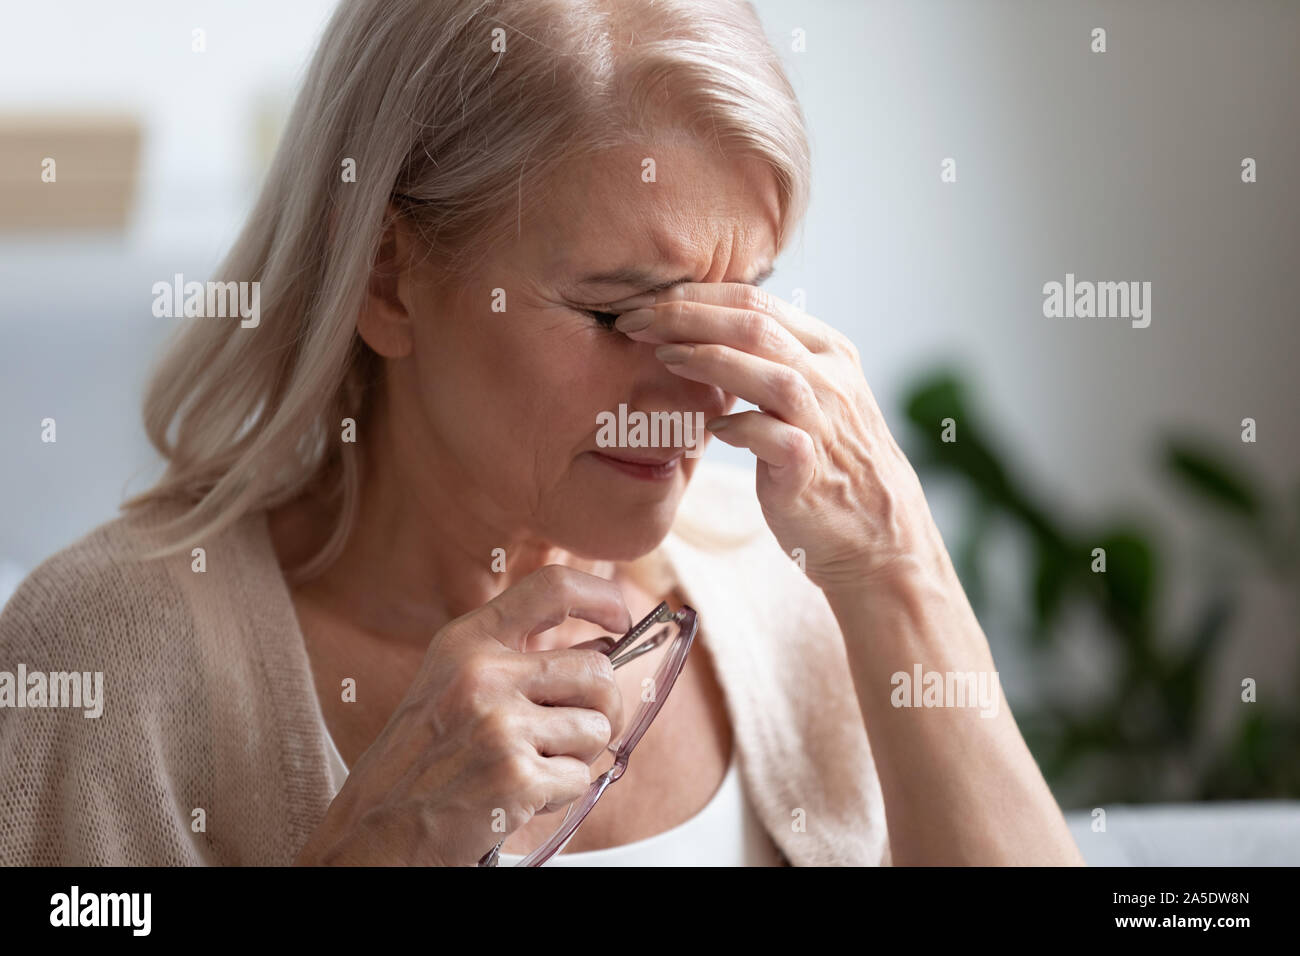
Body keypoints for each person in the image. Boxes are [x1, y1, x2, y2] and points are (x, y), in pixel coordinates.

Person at [0, 0, 1083, 866]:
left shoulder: (794, 592)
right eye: (620, 313)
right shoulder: (103, 660)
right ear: (389, 278)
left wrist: (898, 573)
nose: (697, 390)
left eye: (737, 305)